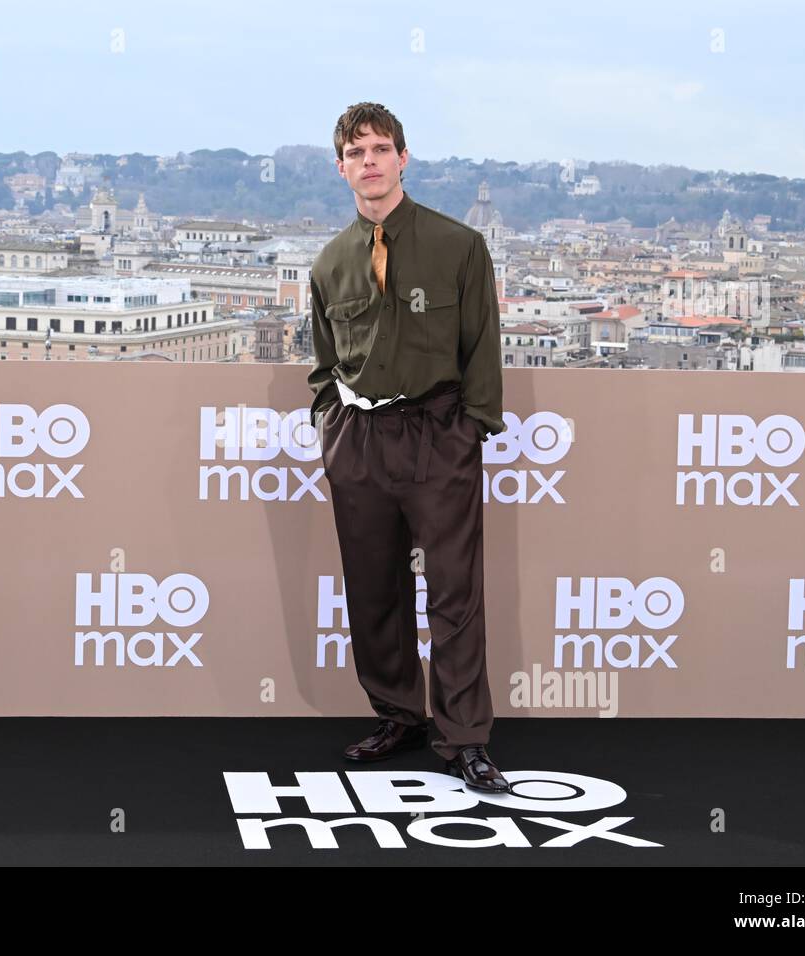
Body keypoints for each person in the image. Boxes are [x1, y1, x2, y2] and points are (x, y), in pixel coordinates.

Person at [307, 102, 510, 794]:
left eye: (381, 148)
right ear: (342, 168)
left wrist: (470, 428)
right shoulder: (330, 263)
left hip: (438, 433)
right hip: (359, 441)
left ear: (403, 159)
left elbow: (483, 345)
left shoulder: (458, 246)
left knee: (454, 594)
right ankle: (400, 716)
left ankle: (463, 739)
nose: (370, 161)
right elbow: (325, 364)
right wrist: (332, 427)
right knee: (373, 592)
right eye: (357, 151)